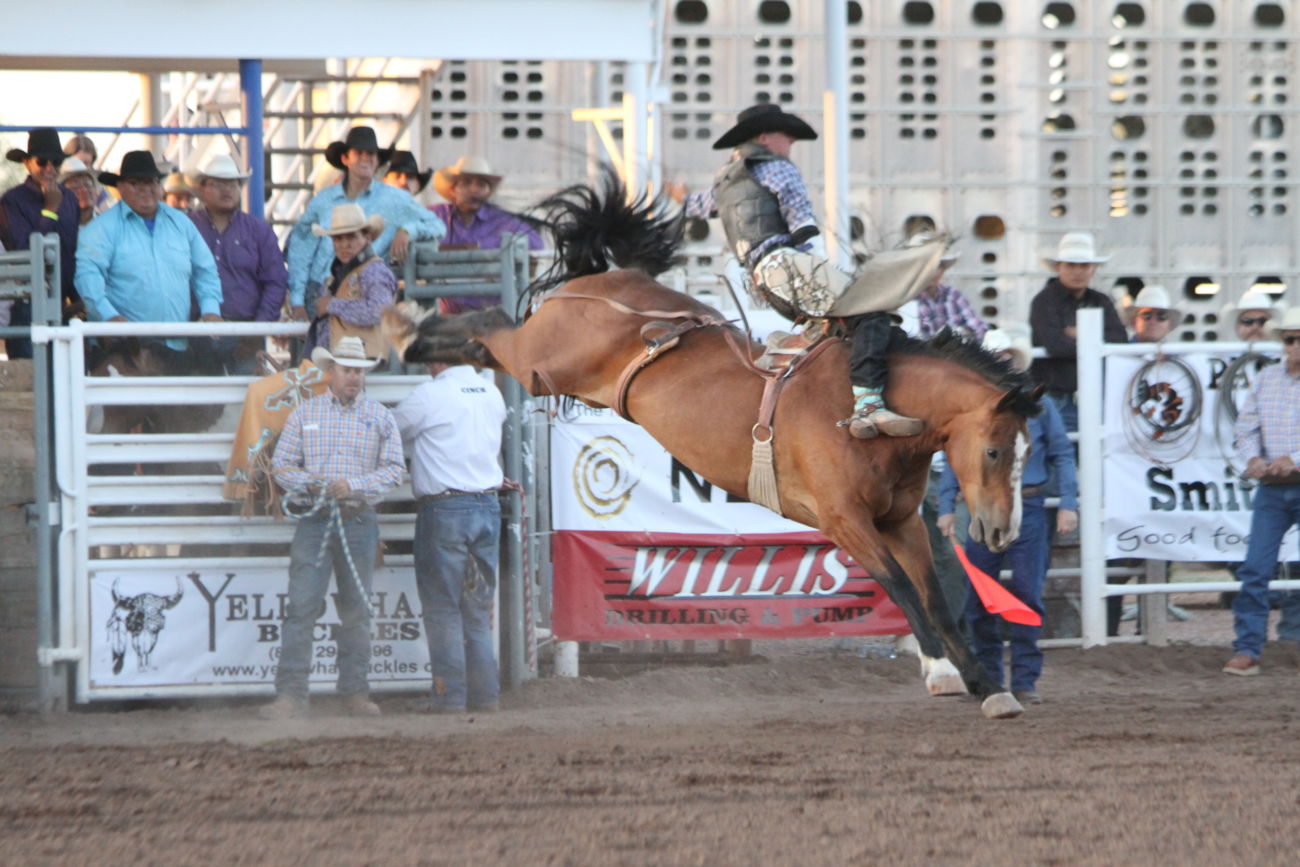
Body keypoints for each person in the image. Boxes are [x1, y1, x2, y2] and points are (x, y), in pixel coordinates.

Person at [679, 104, 923, 439]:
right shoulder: (778, 168)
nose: (791, 143)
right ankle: (867, 405)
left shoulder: (726, 179)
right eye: (786, 136)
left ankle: (820, 394)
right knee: (871, 310)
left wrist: (673, 196)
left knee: (840, 327)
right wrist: (822, 262)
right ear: (765, 137)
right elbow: (801, 219)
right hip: (789, 265)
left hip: (763, 283)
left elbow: (694, 207)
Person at [260, 336, 405, 719]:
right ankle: (291, 696)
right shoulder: (304, 414)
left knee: (356, 609)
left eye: (358, 370)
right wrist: (311, 483)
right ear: (330, 372)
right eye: (347, 369)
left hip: (357, 518)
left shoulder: (380, 416)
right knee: (302, 606)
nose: (354, 377)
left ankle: (354, 692)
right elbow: (282, 465)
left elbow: (395, 469)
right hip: (318, 518)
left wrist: (354, 485)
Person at [937, 329, 1079, 704]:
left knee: (1026, 593)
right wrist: (947, 504)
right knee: (980, 595)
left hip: (1027, 505)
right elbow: (959, 458)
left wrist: (1068, 501)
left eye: (1008, 356)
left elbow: (1062, 453)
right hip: (999, 506)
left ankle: (1022, 680)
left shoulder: (1036, 407)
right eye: (998, 356)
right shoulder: (984, 410)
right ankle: (994, 677)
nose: (1004, 362)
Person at [392, 361, 508, 713]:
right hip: (486, 505)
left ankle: (450, 696)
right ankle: (485, 696)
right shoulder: (492, 392)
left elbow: (391, 427)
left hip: (445, 510)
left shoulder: (430, 395)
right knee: (475, 609)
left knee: (442, 608)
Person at [286, 126, 444, 322]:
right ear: (345, 159)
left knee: (358, 348)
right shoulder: (323, 200)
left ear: (378, 161)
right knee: (318, 350)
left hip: (363, 290)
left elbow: (437, 225)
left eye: (371, 154)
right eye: (358, 153)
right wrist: (297, 302)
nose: (366, 158)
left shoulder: (395, 199)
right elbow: (301, 250)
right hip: (319, 289)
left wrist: (408, 230)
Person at [74, 150, 224, 356]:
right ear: (121, 187)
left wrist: (210, 310)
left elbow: (205, 269)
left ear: (159, 186)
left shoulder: (181, 223)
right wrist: (109, 317)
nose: (146, 189)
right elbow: (88, 278)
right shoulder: (100, 229)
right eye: (136, 183)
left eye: (151, 182)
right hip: (123, 350)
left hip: (176, 347)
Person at [1222, 306, 1300, 676]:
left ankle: (1249, 648)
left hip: (1283, 481)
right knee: (1255, 568)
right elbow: (1246, 426)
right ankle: (1248, 647)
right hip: (1272, 485)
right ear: (1283, 343)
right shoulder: (1267, 379)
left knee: (1257, 566)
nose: (1296, 345)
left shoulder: (1267, 378)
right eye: (1291, 338)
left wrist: (1293, 459)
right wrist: (1254, 458)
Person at [189, 154, 287, 371]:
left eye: (233, 184)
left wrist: (256, 331)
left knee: (246, 398)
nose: (227, 190)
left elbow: (276, 282)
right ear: (202, 189)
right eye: (218, 184)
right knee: (198, 400)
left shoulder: (259, 230)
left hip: (246, 331)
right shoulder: (187, 227)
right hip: (196, 332)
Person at [1029, 231, 1128, 431]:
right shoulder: (1044, 301)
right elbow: (1055, 345)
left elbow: (1120, 340)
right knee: (1062, 455)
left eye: (1084, 266)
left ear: (1093, 270)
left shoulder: (1101, 300)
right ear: (1059, 268)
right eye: (1071, 265)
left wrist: (1078, 333)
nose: (1078, 272)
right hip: (1055, 395)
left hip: (1093, 395)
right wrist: (1095, 341)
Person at [0, 128, 81, 358]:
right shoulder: (12, 201)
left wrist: (76, 298)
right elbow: (25, 251)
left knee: (66, 381)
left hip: (64, 306)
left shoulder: (70, 198)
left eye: (55, 162)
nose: (49, 168)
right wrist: (51, 210)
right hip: (27, 305)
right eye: (42, 161)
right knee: (33, 381)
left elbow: (71, 250)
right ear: (27, 163)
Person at [429, 155, 544, 314]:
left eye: (481, 184)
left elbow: (536, 243)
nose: (474, 189)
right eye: (467, 183)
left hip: (494, 312)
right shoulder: (436, 215)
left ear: (488, 191)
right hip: (446, 312)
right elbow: (413, 228)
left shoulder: (502, 219)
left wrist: (480, 246)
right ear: (452, 189)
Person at [303, 202, 396, 361]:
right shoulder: (337, 277)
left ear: (367, 237)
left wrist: (332, 305)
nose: (345, 244)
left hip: (365, 363)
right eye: (338, 238)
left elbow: (379, 311)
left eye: (351, 236)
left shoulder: (374, 270)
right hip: (342, 365)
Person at [914, 246, 986, 341]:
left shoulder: (953, 295)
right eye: (926, 269)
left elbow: (978, 327)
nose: (930, 274)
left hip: (954, 351)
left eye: (936, 268)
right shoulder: (908, 299)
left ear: (942, 271)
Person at [63, 133, 115, 214]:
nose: (83, 168)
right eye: (78, 162)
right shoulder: (54, 192)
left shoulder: (100, 191)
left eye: (87, 164)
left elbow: (107, 215)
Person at [59, 157, 111, 225]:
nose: (84, 190)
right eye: (75, 187)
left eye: (88, 184)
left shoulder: (108, 224)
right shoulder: (56, 229)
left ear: (96, 192)